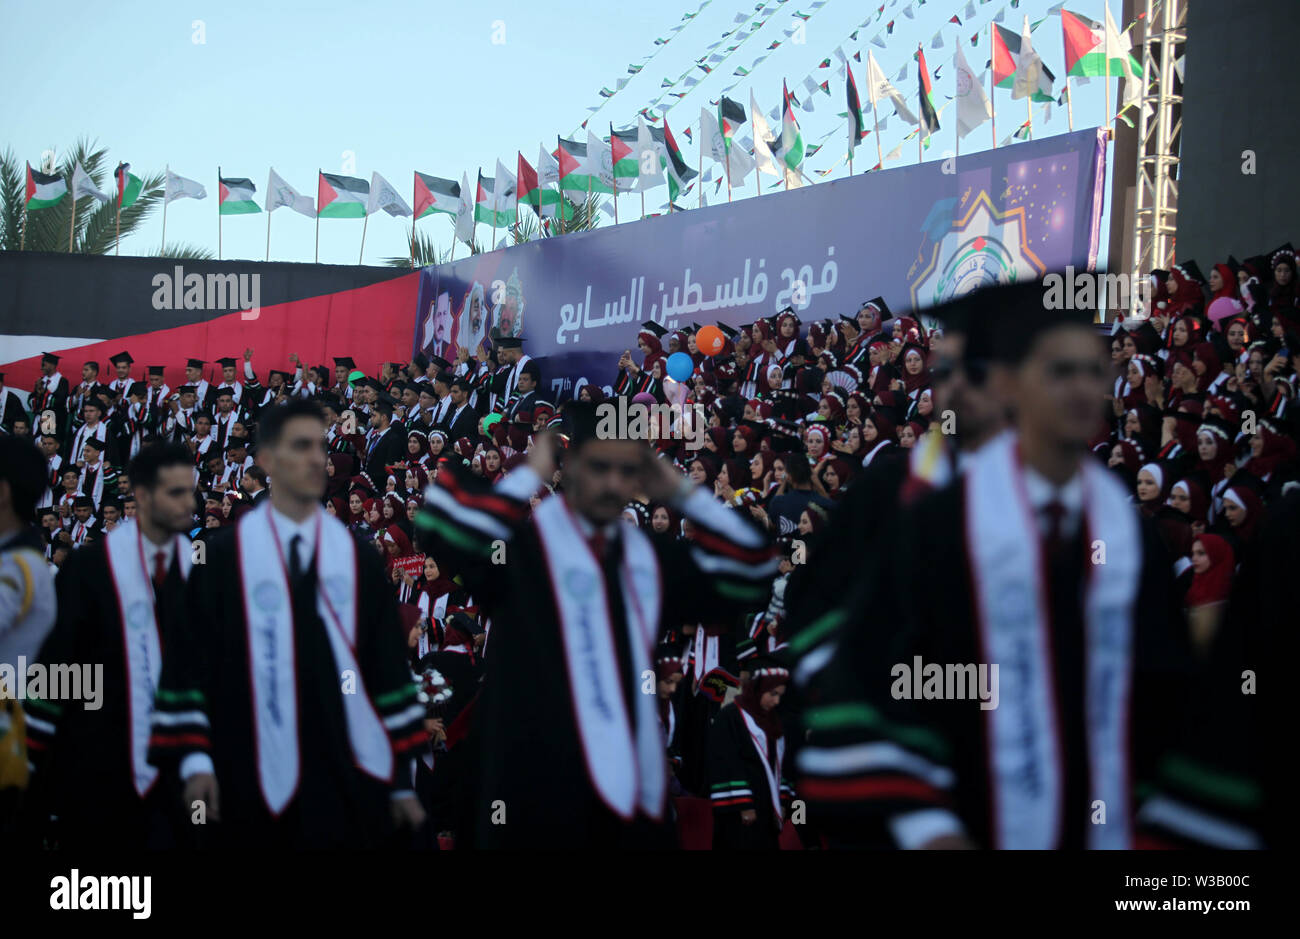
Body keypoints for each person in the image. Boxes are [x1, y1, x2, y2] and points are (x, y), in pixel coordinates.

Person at [797, 280, 1186, 849]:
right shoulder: (913, 506)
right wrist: (923, 818)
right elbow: (856, 654)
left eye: (1090, 369)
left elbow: (1162, 701)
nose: (955, 388)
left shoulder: (1124, 534)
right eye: (944, 372)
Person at [415, 400, 777, 847]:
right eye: (598, 464)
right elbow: (436, 521)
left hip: (623, 796)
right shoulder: (519, 550)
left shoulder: (650, 558)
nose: (611, 481)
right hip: (529, 791)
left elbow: (755, 565)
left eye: (625, 467)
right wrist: (530, 472)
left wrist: (680, 491)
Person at [146, 399, 427, 848]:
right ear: (267, 460)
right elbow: (187, 665)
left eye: (320, 445)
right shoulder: (223, 558)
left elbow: (387, 671)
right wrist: (194, 762)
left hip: (337, 769)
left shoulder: (357, 558)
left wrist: (397, 778)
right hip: (240, 764)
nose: (318, 458)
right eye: (301, 446)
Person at [21, 443, 197, 849]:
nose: (186, 502)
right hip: (100, 752)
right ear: (142, 494)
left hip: (177, 760)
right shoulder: (89, 568)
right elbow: (58, 669)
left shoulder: (201, 572)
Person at [706, 658, 796, 849]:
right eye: (772, 694)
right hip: (738, 809)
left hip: (766, 805)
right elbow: (725, 760)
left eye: (780, 695)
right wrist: (744, 804)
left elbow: (783, 761)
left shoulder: (775, 721)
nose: (776, 701)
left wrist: (782, 801)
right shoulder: (730, 716)